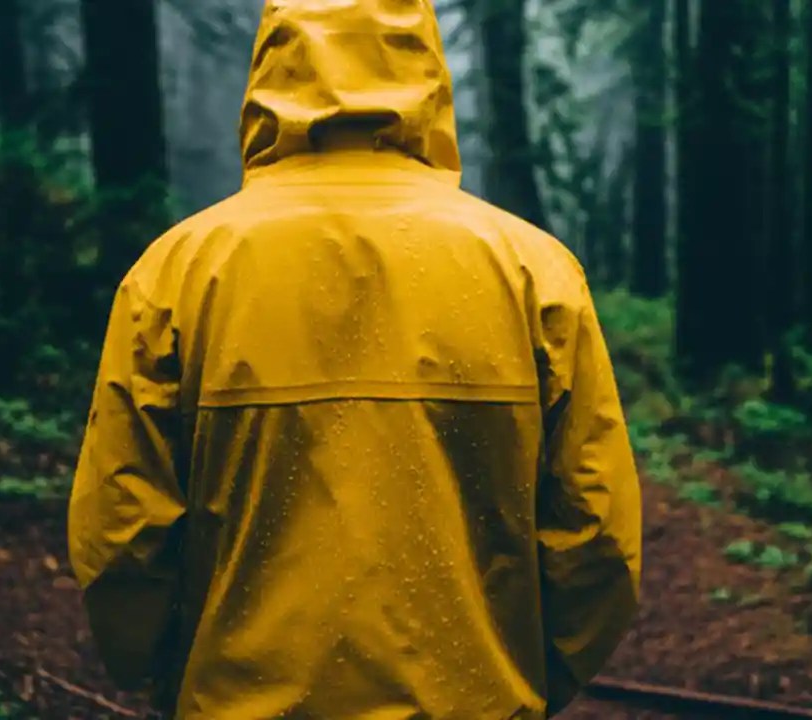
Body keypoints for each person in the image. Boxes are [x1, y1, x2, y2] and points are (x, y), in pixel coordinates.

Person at [67, 0, 642, 717]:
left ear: (272, 70)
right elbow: (598, 532)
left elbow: (122, 530)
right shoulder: (531, 271)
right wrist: (536, 676)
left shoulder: (178, 274)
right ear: (426, 72)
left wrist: (161, 674)